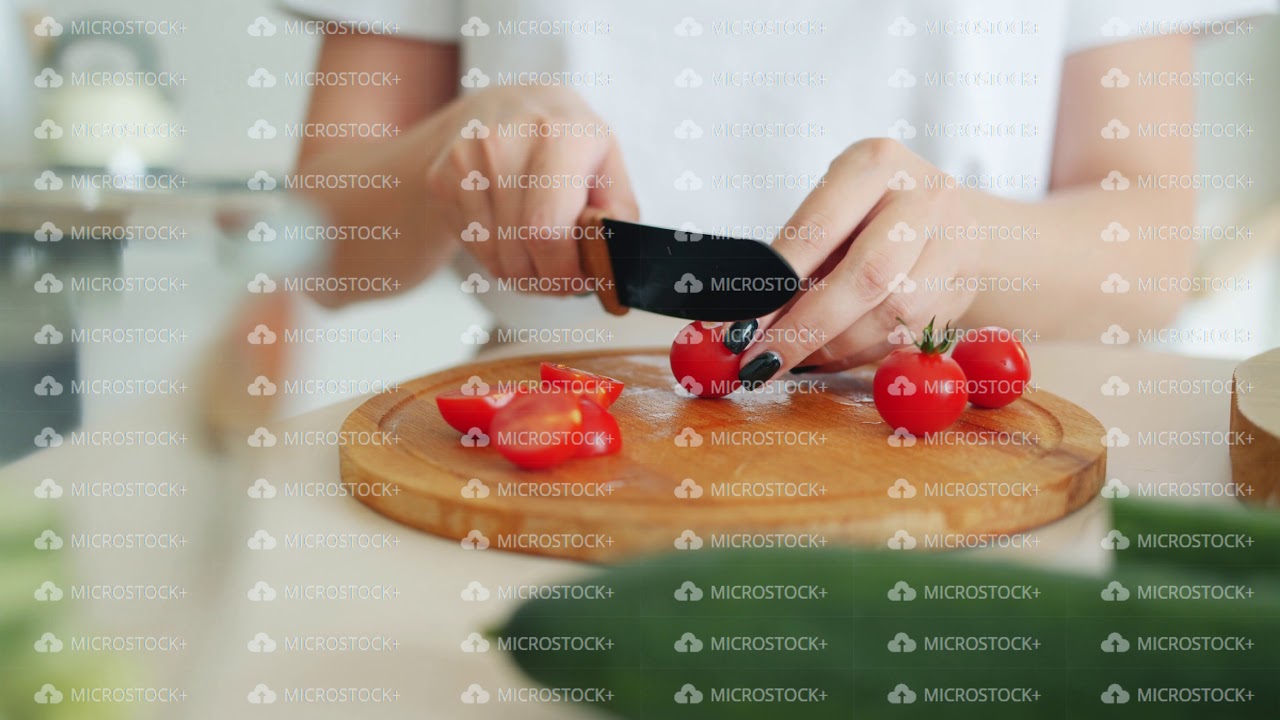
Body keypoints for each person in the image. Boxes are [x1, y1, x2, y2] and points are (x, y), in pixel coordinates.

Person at [282, 0, 1273, 386]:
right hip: (547, 456)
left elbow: (1143, 259)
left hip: (969, 454)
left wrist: (964, 241)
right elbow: (314, 249)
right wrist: (447, 155)